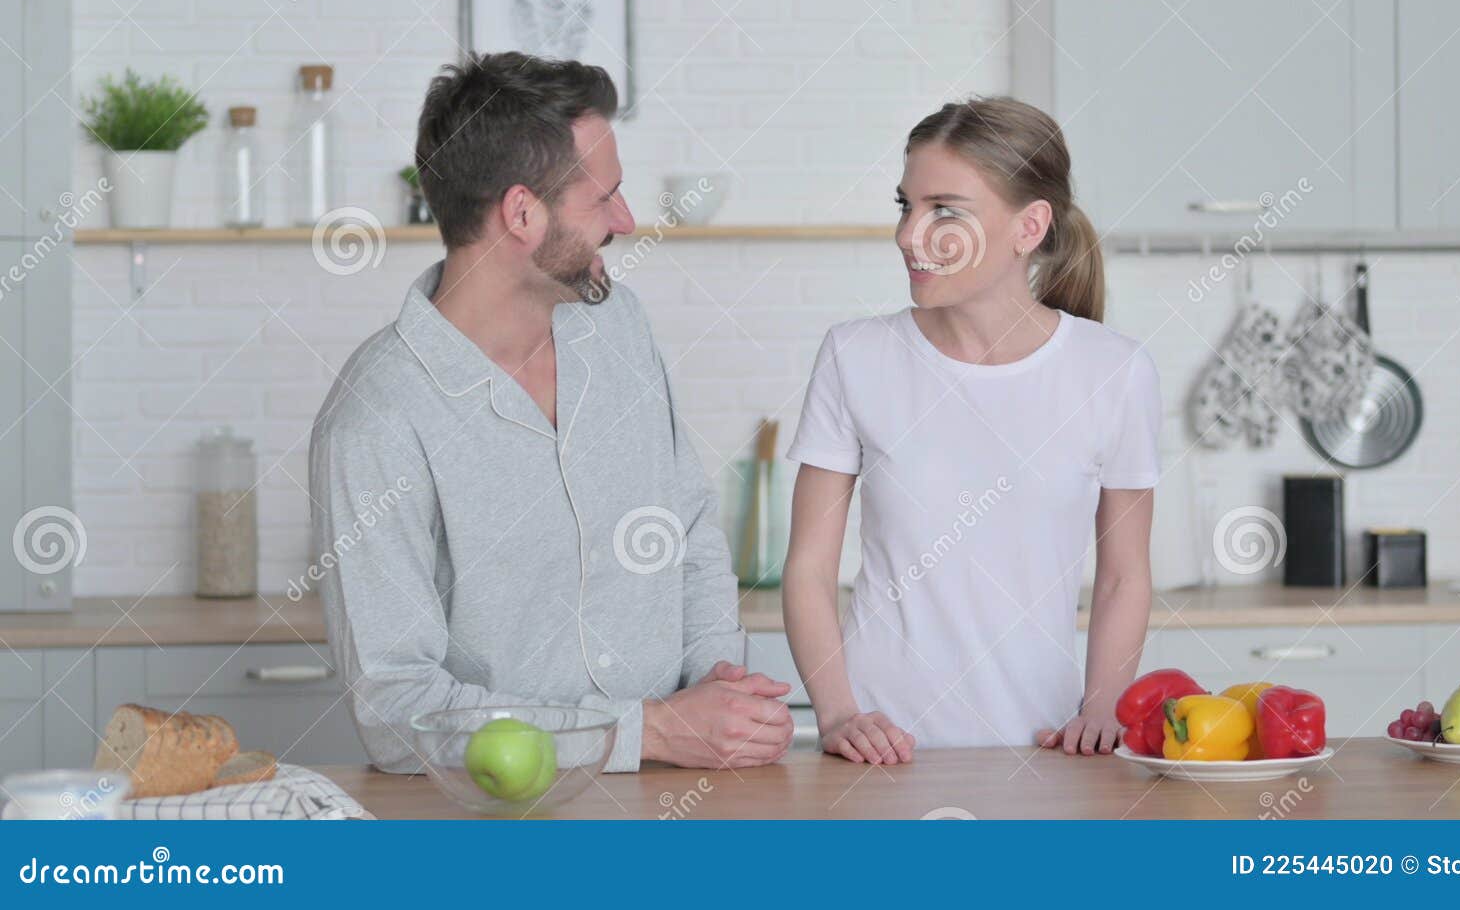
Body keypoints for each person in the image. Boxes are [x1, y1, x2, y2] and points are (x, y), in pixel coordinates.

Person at [310, 53, 793, 774]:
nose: (626, 221)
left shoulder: (617, 327)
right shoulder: (377, 416)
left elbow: (688, 532)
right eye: (605, 199)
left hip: (683, 794)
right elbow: (396, 706)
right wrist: (649, 732)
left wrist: (719, 684)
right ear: (522, 213)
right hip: (493, 821)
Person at [781, 97, 1159, 763]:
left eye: (944, 211)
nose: (908, 234)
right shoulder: (855, 356)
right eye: (906, 206)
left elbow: (1123, 576)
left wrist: (1102, 706)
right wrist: (839, 714)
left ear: (1029, 227)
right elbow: (810, 569)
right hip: (880, 753)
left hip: (1046, 750)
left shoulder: (1114, 372)